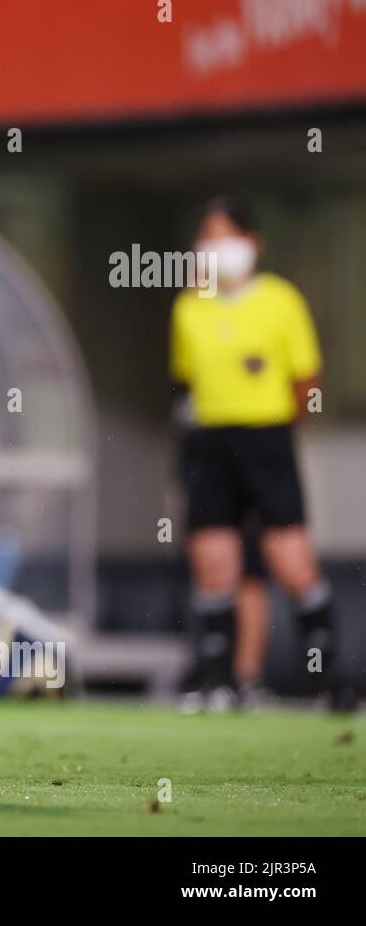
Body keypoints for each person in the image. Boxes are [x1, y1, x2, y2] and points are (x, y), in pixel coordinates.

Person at [172, 197, 353, 712]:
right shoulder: (190, 306)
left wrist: (278, 428)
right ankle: (216, 682)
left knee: (291, 562)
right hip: (209, 444)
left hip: (267, 441)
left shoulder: (281, 300)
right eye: (207, 236)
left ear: (252, 243)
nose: (215, 247)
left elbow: (306, 379)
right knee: (214, 565)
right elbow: (184, 383)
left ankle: (330, 680)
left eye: (226, 236)